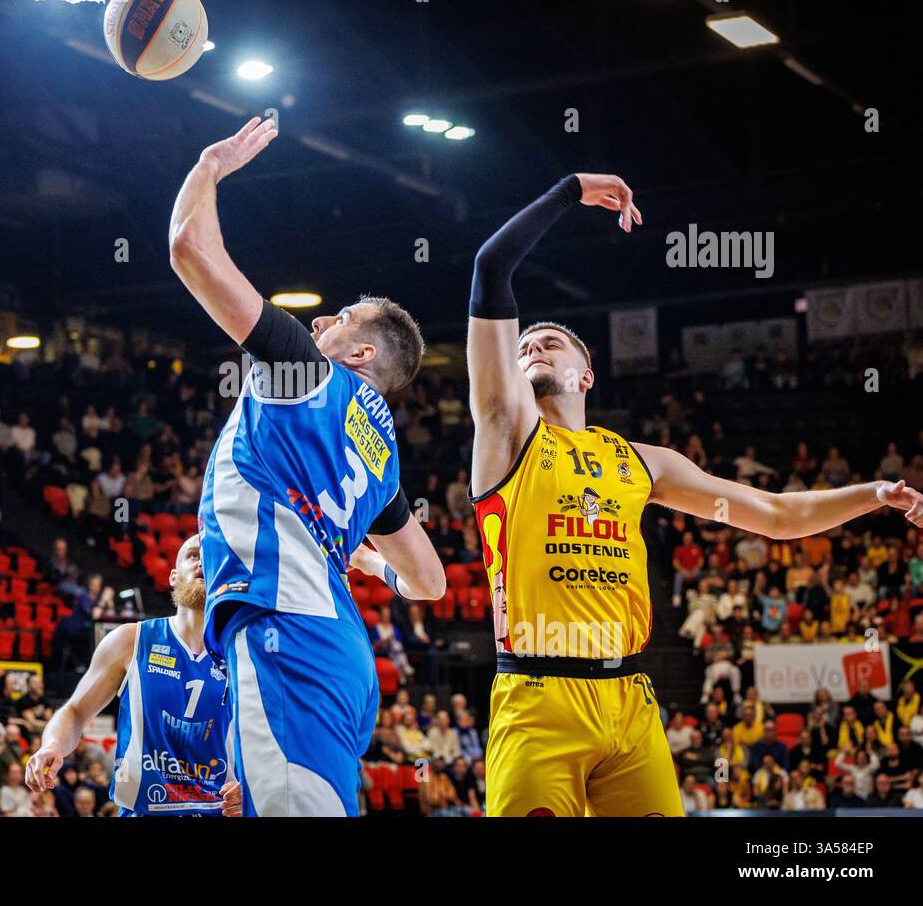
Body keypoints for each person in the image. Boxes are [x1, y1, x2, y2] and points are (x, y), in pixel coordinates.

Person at [462, 172, 923, 817]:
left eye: (551, 343)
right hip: (537, 698)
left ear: (586, 373)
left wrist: (872, 493)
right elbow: (491, 266)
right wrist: (570, 192)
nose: (533, 348)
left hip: (630, 702)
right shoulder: (506, 432)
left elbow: (778, 515)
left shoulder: (643, 463)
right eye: (524, 346)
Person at [168, 118, 446, 816]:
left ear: (361, 358)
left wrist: (209, 164)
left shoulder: (304, 370)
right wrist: (358, 559)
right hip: (333, 647)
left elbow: (188, 249)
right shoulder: (383, 458)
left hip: (288, 630)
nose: (324, 320)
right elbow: (431, 581)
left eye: (346, 317)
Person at [27, 535, 241, 817]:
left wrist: (252, 788)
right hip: (143, 810)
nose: (201, 561)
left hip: (219, 811)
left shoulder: (242, 652)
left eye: (211, 555)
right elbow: (76, 711)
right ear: (173, 577)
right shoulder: (132, 640)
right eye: (192, 555)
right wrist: (52, 744)